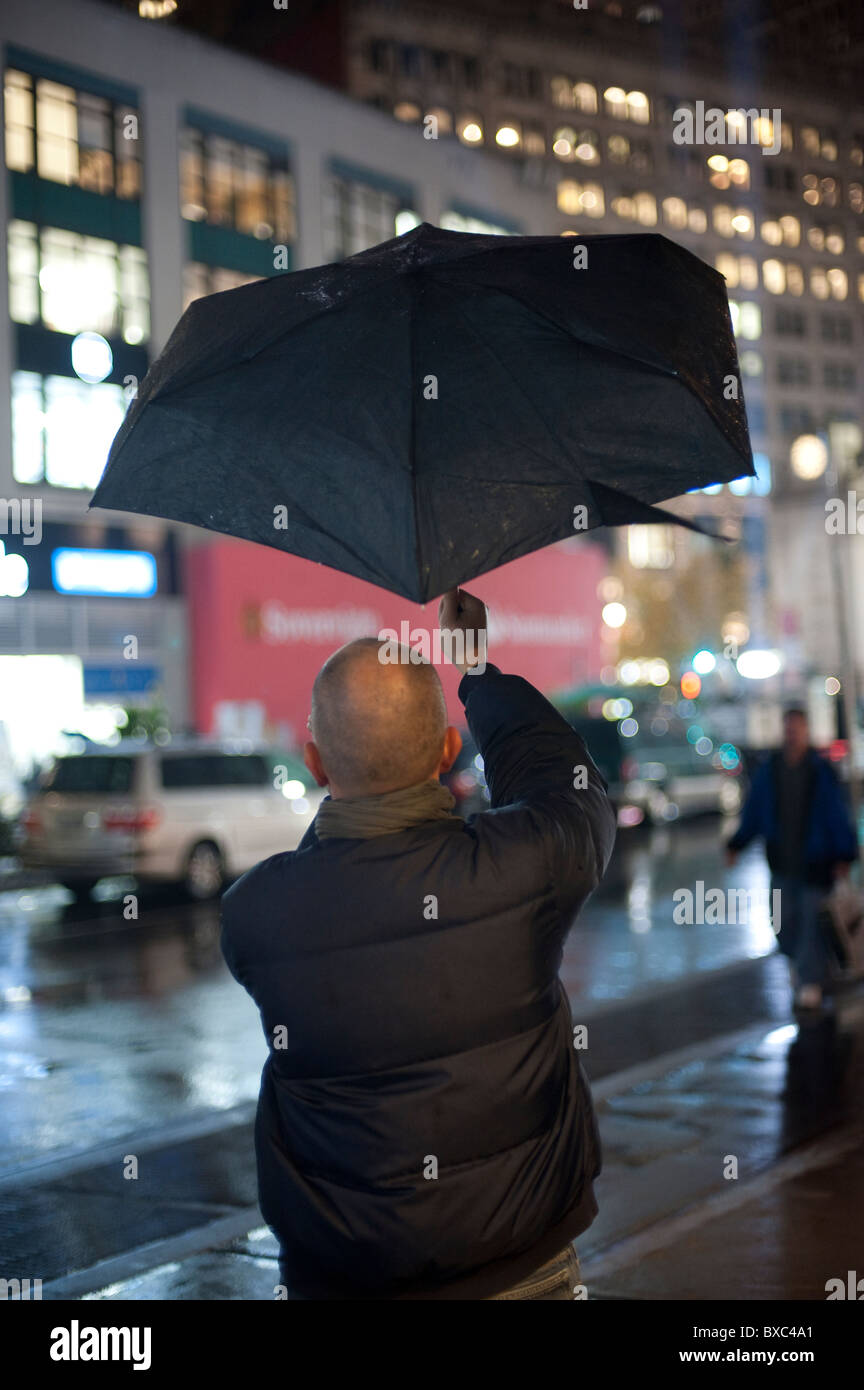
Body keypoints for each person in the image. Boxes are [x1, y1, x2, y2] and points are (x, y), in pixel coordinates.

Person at [221, 586, 616, 1300]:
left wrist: (348, 790)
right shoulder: (526, 867)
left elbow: (331, 877)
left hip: (343, 1279)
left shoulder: (256, 915)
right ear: (446, 750)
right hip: (526, 1269)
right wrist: (476, 671)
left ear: (314, 764)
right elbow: (571, 787)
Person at [725, 706, 858, 1012]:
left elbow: (836, 814)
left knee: (812, 922)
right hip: (782, 863)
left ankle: (810, 981)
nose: (792, 735)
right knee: (783, 923)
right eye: (788, 729)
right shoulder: (770, 770)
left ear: (806, 731)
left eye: (797, 729)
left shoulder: (820, 771)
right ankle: (801, 966)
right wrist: (737, 844)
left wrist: (844, 855)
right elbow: (754, 812)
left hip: (816, 865)